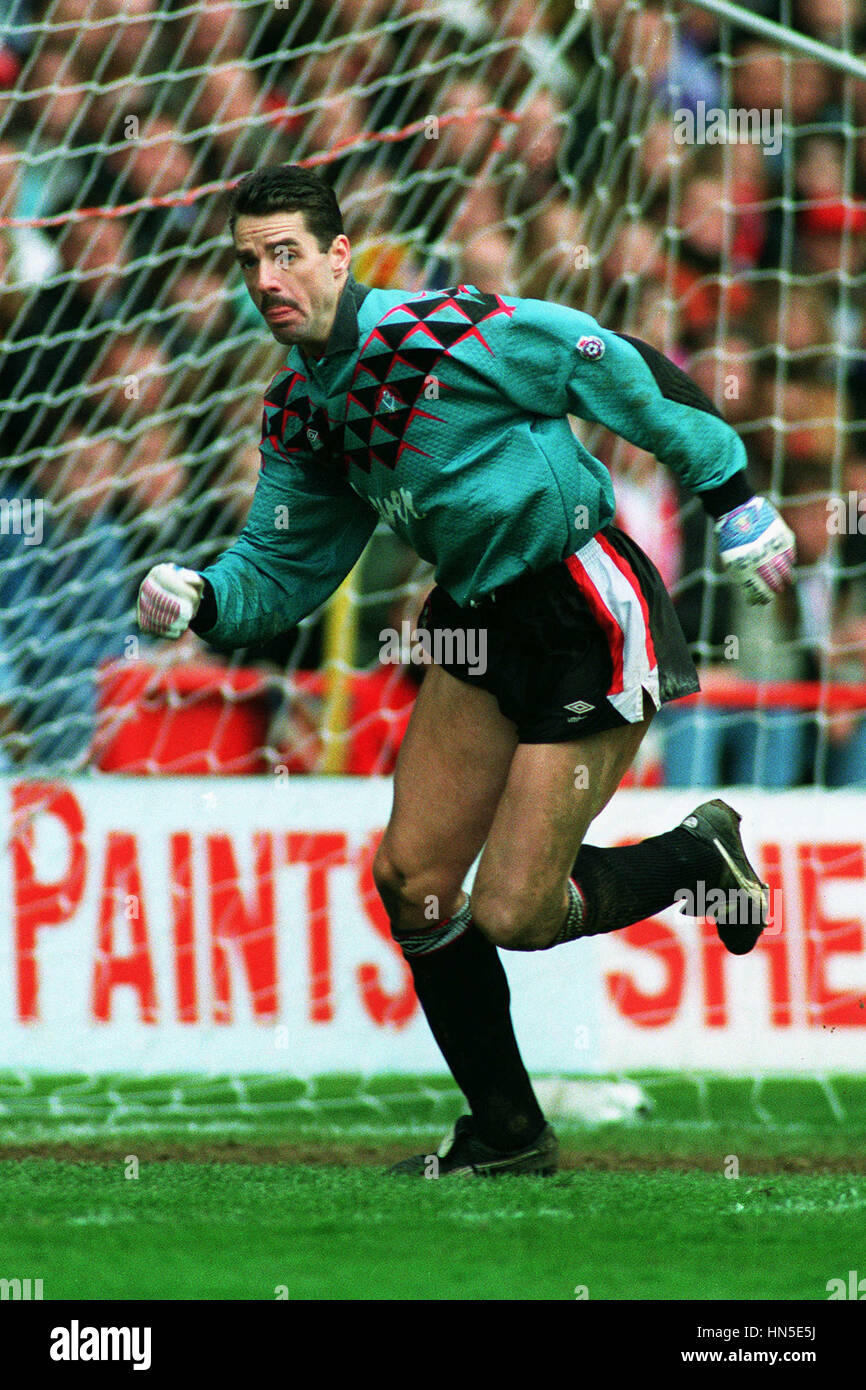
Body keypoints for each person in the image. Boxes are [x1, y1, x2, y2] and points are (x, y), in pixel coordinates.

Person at [137, 166, 796, 1177]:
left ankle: (695, 856)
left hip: (581, 603)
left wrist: (730, 491)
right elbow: (282, 564)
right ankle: (505, 1130)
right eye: (247, 261)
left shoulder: (438, 331)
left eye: (285, 254)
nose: (266, 279)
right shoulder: (297, 413)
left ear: (338, 254)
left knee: (513, 912)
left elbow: (604, 361)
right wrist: (206, 600)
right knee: (411, 884)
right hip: (472, 625)